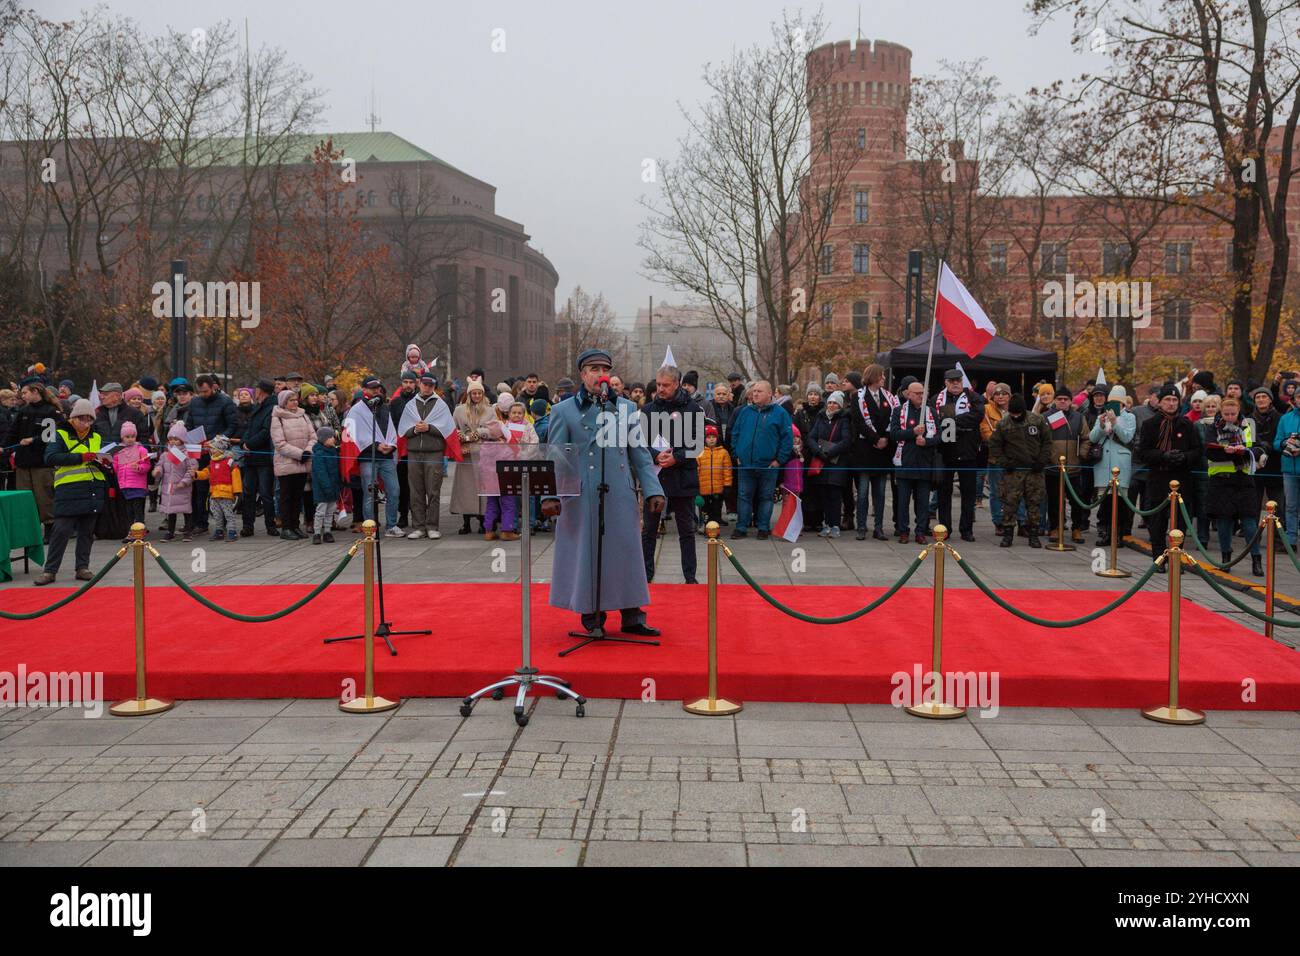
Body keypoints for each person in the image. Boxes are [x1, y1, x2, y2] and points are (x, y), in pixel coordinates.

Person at [541, 348, 666, 636]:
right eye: (593, 369)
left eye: (604, 369)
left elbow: (640, 454)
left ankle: (632, 614)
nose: (600, 375)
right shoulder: (563, 411)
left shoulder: (626, 409)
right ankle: (592, 614)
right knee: (588, 553)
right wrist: (550, 495)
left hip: (620, 493)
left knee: (626, 551)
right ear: (583, 375)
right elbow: (556, 457)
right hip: (581, 496)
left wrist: (652, 490)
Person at [640, 364, 704, 583]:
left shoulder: (693, 409)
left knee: (686, 530)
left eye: (665, 385)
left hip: (682, 476)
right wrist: (655, 455)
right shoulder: (648, 410)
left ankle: (690, 577)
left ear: (677, 384)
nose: (661, 389)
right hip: (655, 477)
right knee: (649, 529)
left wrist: (677, 457)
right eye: (658, 384)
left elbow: (697, 444)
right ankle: (645, 575)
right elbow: (639, 443)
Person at [34, 399, 108, 585]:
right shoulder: (59, 434)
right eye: (82, 419)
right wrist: (81, 457)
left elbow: (101, 457)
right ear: (73, 418)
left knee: (87, 532)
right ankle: (50, 571)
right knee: (61, 531)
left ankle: (82, 567)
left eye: (89, 419)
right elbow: (50, 457)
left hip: (93, 487)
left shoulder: (96, 436)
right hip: (68, 488)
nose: (86, 423)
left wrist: (106, 462)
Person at [1137, 384, 1202, 570]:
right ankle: (1158, 557)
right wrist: (1162, 456)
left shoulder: (1187, 424)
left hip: (1181, 478)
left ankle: (1176, 557)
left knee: (1181, 521)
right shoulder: (1150, 425)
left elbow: (1197, 451)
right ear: (1160, 402)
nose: (1171, 403)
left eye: (1174, 400)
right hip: (1158, 477)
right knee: (1157, 521)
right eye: (1167, 400)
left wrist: (1185, 457)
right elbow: (1143, 452)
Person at [1204, 397, 1264, 576]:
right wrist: (1227, 451)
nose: (1230, 417)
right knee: (1224, 521)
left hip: (1243, 479)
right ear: (1220, 413)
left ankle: (1256, 559)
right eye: (1226, 414)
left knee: (1249, 521)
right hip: (1220, 479)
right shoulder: (1213, 428)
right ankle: (1225, 558)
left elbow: (1258, 448)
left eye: (1233, 414)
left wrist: (1244, 451)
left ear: (1238, 412)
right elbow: (1210, 452)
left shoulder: (1247, 426)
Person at [728, 380, 794, 540]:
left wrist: (779, 460)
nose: (755, 394)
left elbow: (787, 439)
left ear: (770, 394)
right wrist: (736, 455)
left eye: (759, 391)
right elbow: (735, 434)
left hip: (768, 466)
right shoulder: (745, 412)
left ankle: (763, 527)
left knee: (766, 497)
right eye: (754, 391)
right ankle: (741, 527)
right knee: (743, 496)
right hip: (745, 464)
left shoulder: (780, 413)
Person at [988, 393, 1051, 547]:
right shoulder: (1004, 423)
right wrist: (1003, 462)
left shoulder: (1037, 420)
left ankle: (1033, 535)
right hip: (1012, 472)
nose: (1015, 416)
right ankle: (1008, 534)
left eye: (1018, 413)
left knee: (1034, 503)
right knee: (1010, 503)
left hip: (1034, 471)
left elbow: (1047, 442)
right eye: (1013, 413)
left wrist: (1041, 461)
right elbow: (994, 445)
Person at [3, 378, 62, 535]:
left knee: (44, 496)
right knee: (25, 497)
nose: (23, 396)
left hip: (41, 462)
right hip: (23, 462)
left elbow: (49, 436)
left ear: (35, 391)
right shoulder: (23, 411)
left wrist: (32, 440)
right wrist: (3, 446)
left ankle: (50, 527)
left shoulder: (49, 411)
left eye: (25, 393)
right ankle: (29, 528)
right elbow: (13, 432)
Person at [934, 369, 986, 543]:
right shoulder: (937, 399)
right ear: (946, 383)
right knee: (943, 493)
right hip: (945, 451)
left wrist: (953, 421)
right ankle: (945, 529)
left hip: (968, 451)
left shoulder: (974, 397)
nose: (955, 383)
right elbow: (934, 419)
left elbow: (977, 415)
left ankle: (966, 529)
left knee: (969, 494)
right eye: (951, 381)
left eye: (958, 380)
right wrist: (955, 421)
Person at [401, 372, 450, 540]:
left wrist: (429, 428)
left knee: (433, 491)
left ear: (434, 386)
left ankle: (432, 526)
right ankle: (418, 527)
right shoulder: (410, 405)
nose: (427, 387)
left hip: (434, 453)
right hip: (414, 452)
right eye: (424, 384)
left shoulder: (441, 405)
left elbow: (447, 430)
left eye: (430, 385)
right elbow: (403, 430)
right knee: (415, 491)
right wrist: (415, 430)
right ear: (419, 384)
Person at [353, 376, 402, 538]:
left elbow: (392, 429)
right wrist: (375, 445)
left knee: (394, 490)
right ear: (364, 389)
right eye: (372, 388)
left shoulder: (385, 407)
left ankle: (391, 525)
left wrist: (393, 445)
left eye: (378, 388)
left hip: (386, 456)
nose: (376, 390)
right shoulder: (358, 409)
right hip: (368, 457)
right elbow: (355, 434)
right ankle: (370, 527)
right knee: (370, 493)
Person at [889, 378, 937, 544]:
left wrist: (927, 441)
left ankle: (921, 531)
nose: (921, 396)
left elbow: (939, 437)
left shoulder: (931, 411)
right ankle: (903, 531)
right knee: (903, 501)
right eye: (917, 393)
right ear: (908, 394)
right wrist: (912, 432)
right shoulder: (898, 411)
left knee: (923, 501)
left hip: (924, 463)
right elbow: (894, 434)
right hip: (905, 461)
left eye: (923, 393)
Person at [1088, 386, 1137, 546]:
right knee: (1105, 501)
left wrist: (1115, 422)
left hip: (1120, 463)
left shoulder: (1129, 417)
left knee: (1121, 501)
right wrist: (1102, 425)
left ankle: (1118, 534)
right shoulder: (1102, 415)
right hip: (1103, 463)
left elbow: (1127, 437)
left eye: (1118, 402)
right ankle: (1104, 532)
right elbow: (1093, 437)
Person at [1044, 385, 1089, 544]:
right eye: (1059, 399)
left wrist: (1081, 454)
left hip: (1074, 467)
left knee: (1076, 500)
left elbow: (1086, 438)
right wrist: (1047, 458)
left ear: (1070, 401)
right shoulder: (1046, 417)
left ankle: (1076, 528)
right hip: (1052, 467)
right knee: (1054, 501)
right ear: (1054, 400)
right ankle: (1055, 527)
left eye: (1066, 399)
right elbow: (1042, 441)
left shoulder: (1078, 417)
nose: (1062, 401)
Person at [807, 390, 853, 538]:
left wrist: (830, 452)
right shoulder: (820, 418)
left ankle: (835, 524)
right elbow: (811, 438)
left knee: (835, 495)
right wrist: (818, 452)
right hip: (821, 462)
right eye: (830, 402)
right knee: (823, 495)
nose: (832, 405)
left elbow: (846, 441)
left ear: (840, 405)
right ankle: (826, 524)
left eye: (835, 403)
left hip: (837, 463)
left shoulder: (844, 419)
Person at [271, 388, 315, 541]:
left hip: (303, 462)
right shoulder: (277, 417)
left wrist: (308, 451)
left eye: (296, 399)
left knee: (298, 496)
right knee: (286, 496)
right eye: (291, 400)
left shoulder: (303, 415)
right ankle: (286, 527)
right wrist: (299, 454)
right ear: (284, 402)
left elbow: (313, 436)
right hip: (286, 463)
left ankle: (295, 526)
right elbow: (279, 443)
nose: (295, 402)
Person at [451, 378, 494, 534]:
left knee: (483, 489)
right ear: (469, 394)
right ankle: (466, 522)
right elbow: (452, 428)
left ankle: (483, 521)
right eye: (474, 393)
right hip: (466, 453)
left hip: (483, 454)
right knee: (465, 489)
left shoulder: (490, 410)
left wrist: (480, 433)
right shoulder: (459, 410)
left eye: (479, 393)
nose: (476, 395)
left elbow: (494, 430)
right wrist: (460, 435)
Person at [239, 380, 278, 537]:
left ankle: (271, 525)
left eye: (256, 390)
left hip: (263, 458)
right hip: (250, 458)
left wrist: (250, 444)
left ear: (262, 391)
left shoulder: (271, 408)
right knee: (248, 493)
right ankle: (248, 525)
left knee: (265, 493)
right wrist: (244, 442)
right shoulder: (258, 407)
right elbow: (249, 428)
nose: (254, 392)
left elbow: (266, 431)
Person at [153, 422, 197, 541]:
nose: (172, 442)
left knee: (186, 509)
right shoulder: (165, 454)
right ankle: (170, 531)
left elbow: (191, 470)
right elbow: (160, 465)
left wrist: (185, 481)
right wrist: (157, 471)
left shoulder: (187, 454)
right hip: (169, 486)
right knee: (170, 510)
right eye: (171, 439)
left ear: (182, 440)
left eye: (176, 439)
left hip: (182, 487)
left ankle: (188, 531)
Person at [112, 421, 152, 537]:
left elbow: (147, 465)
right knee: (128, 512)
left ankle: (139, 534)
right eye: (127, 437)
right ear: (122, 437)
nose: (130, 439)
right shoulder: (119, 450)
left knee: (138, 511)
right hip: (125, 485)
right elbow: (116, 465)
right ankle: (131, 533)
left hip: (138, 485)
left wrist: (139, 467)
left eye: (133, 436)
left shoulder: (141, 449)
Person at [198, 435, 241, 542]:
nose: (211, 451)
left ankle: (232, 532)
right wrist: (195, 474)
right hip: (214, 494)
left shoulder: (229, 462)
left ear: (220, 449)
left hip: (226, 494)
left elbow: (236, 476)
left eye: (213, 448)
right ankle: (219, 531)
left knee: (228, 514)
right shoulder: (212, 463)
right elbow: (205, 473)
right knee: (216, 514)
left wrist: (237, 492)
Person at [981, 383, 1010, 534]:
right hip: (996, 458)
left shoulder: (1015, 410)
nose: (1000, 396)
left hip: (1014, 458)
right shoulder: (986, 410)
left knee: (1014, 491)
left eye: (1004, 393)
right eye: (997, 394)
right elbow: (986, 433)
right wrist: (1006, 438)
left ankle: (1020, 521)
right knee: (996, 491)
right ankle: (998, 522)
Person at [696, 424, 732, 529]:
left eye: (713, 437)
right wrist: (696, 487)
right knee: (705, 510)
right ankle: (705, 526)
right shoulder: (699, 452)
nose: (711, 440)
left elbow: (727, 470)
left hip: (718, 489)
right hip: (703, 489)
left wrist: (727, 485)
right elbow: (696, 471)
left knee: (716, 509)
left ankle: (715, 529)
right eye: (708, 437)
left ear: (717, 438)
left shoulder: (724, 453)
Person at [310, 426, 341, 544]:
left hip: (333, 487)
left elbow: (337, 470)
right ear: (324, 439)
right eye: (331, 437)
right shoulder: (319, 453)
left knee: (330, 511)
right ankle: (317, 532)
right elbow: (321, 473)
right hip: (322, 488)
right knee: (321, 511)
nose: (334, 439)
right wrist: (327, 487)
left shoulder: (334, 452)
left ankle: (328, 531)